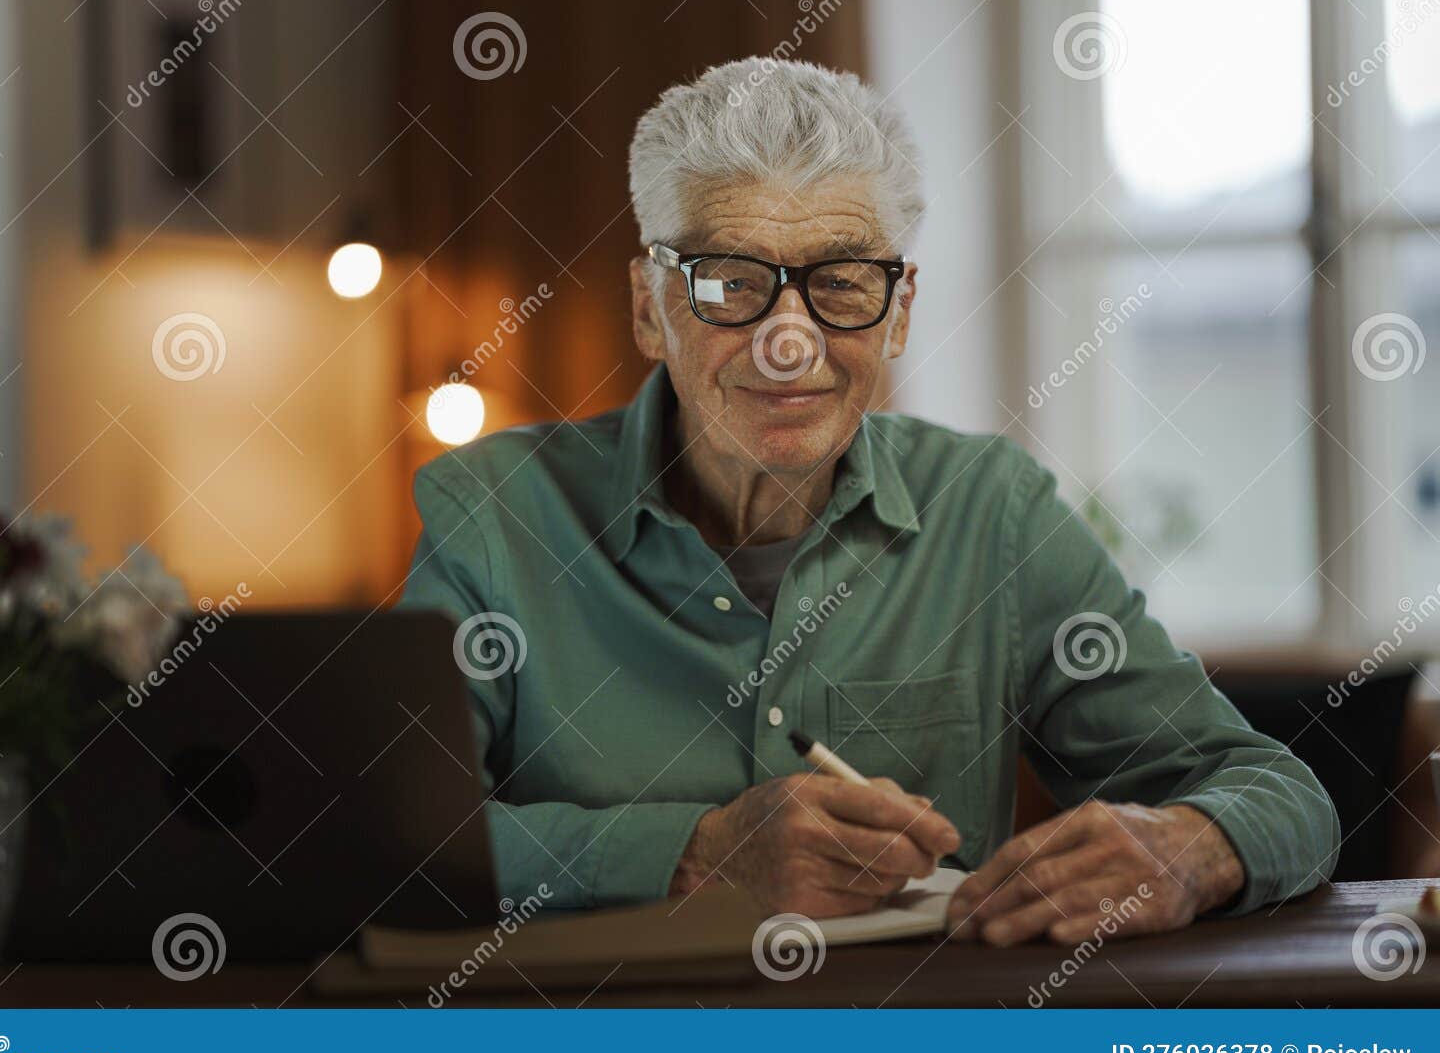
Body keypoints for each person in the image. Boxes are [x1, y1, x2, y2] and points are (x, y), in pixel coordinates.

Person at [398, 58, 1340, 947]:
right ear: (650, 306)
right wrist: (694, 853)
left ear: (898, 311)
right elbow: (383, 846)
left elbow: (1277, 793)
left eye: (842, 285)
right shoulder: (493, 515)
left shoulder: (992, 512)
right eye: (732, 283)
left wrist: (1191, 847)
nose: (790, 344)